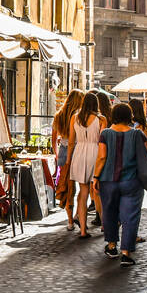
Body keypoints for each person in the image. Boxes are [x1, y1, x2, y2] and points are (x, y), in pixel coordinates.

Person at [94, 102, 147, 265]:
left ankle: (112, 246)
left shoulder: (105, 134)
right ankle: (126, 252)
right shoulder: (137, 134)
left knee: (110, 212)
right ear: (129, 117)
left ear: (114, 116)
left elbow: (101, 157)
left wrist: (95, 177)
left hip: (108, 180)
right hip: (132, 181)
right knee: (131, 215)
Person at [66, 91, 105, 238]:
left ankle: (83, 230)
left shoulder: (75, 118)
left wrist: (69, 160)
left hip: (79, 153)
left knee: (82, 193)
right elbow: (102, 141)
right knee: (97, 191)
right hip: (95, 153)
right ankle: (103, 225)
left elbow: (70, 142)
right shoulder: (101, 119)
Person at [52, 89, 84, 229]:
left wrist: (57, 154)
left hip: (64, 151)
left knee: (68, 188)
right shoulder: (80, 117)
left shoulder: (58, 116)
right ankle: (78, 215)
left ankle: (70, 221)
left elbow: (53, 139)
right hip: (79, 151)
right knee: (83, 186)